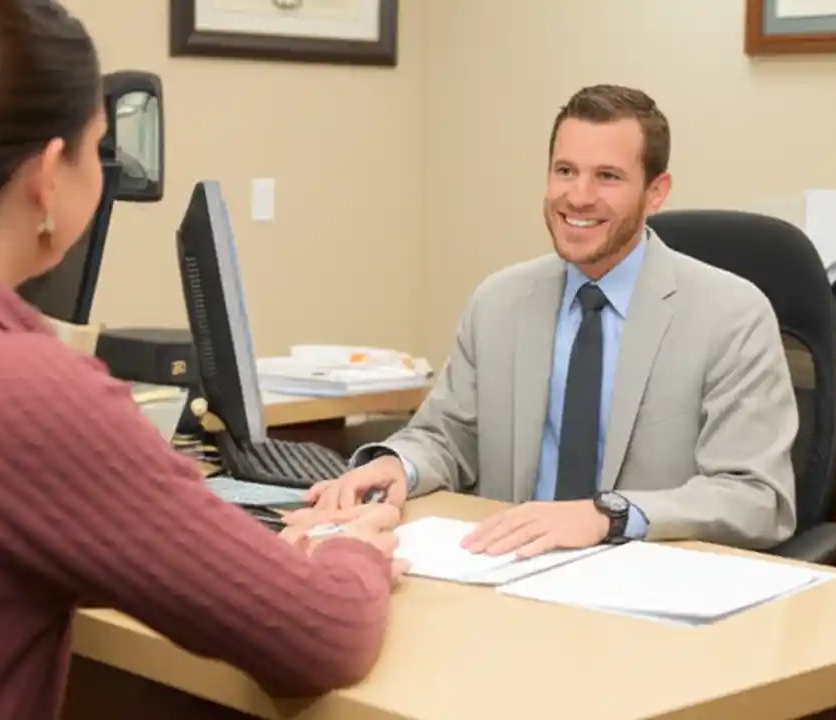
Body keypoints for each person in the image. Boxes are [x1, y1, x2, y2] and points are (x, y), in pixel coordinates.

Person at [0, 1, 404, 717]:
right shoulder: (10, 383)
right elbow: (322, 637)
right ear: (49, 175)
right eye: (100, 148)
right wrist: (351, 551)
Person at [305, 84, 799, 557]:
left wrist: (609, 516)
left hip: (648, 586)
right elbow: (448, 435)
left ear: (656, 192)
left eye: (608, 176)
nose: (578, 197)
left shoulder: (732, 315)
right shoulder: (500, 302)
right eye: (565, 171)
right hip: (508, 569)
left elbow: (756, 497)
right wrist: (399, 465)